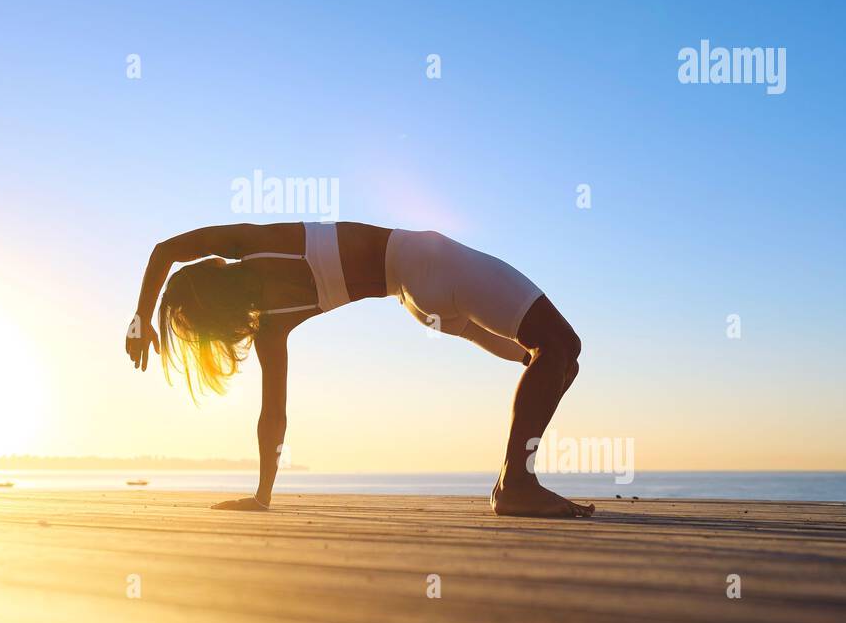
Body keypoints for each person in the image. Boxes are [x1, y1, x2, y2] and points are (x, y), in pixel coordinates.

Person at [126, 222, 591, 518]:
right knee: (560, 346)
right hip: (426, 264)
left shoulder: (271, 323)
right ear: (209, 273)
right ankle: (517, 484)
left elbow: (274, 417)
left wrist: (263, 494)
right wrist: (139, 319)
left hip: (415, 300)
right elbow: (167, 248)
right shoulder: (252, 243)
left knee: (554, 362)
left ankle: (512, 483)